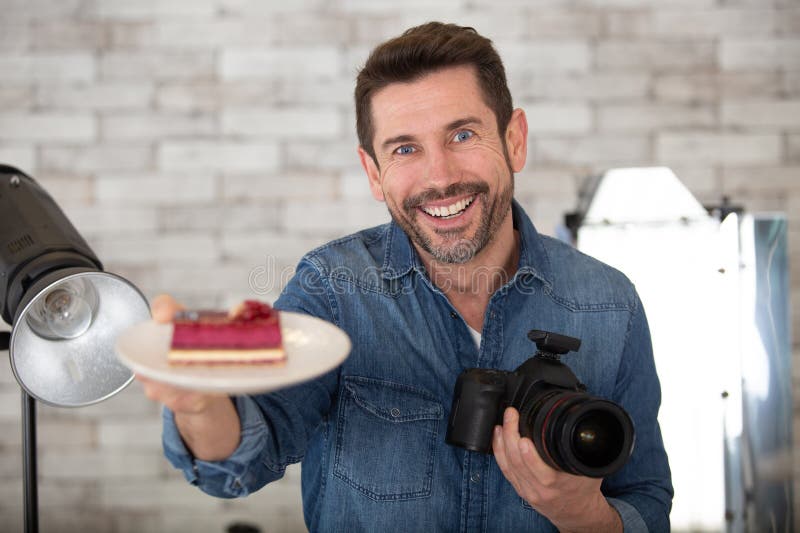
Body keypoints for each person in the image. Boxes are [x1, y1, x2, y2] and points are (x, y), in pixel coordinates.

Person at [139, 22, 673, 532]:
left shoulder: (610, 302)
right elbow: (246, 454)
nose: (439, 177)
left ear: (514, 140)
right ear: (374, 173)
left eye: (462, 134)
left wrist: (583, 516)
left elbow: (646, 500)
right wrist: (200, 403)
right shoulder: (330, 290)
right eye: (405, 149)